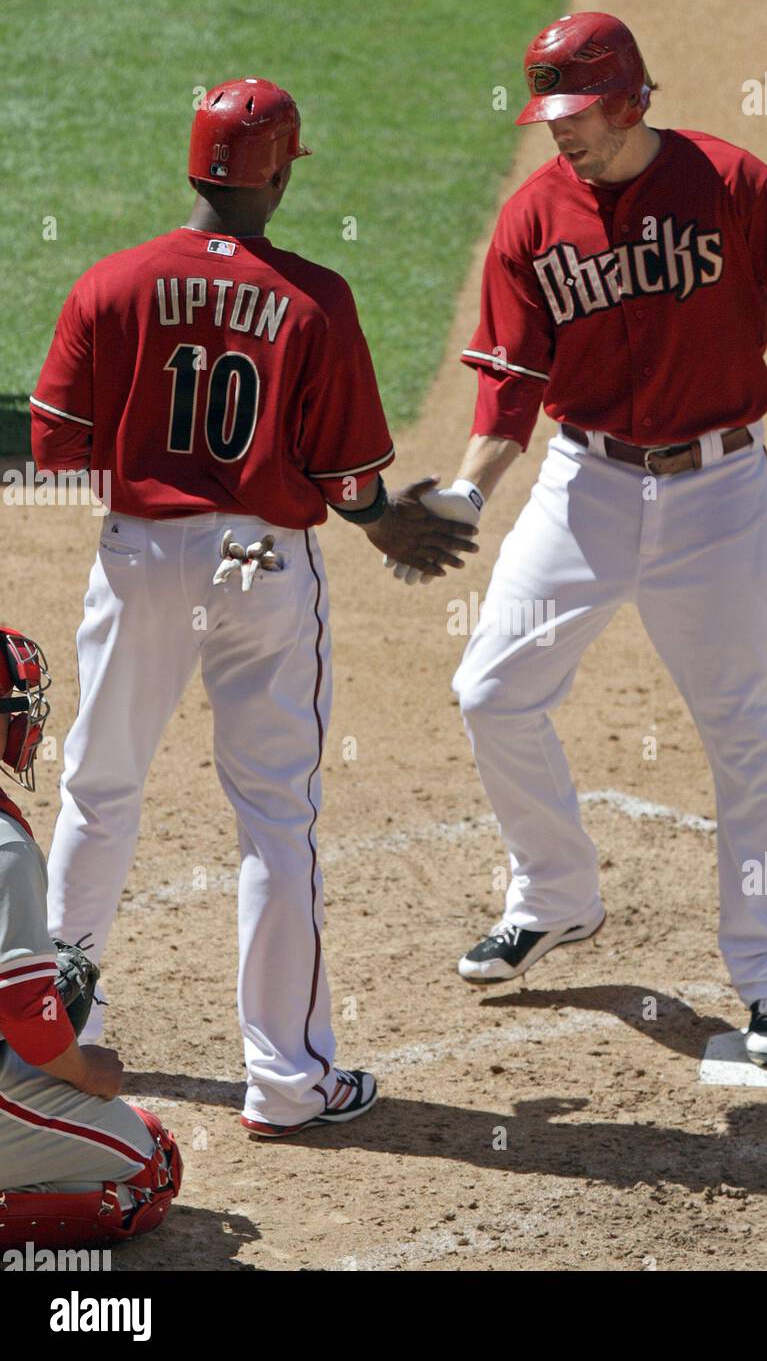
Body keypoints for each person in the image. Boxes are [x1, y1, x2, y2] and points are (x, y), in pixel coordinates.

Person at [402, 14, 767, 1067]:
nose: (559, 135)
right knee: (492, 691)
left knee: (746, 732)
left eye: (576, 115)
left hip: (719, 494)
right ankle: (557, 894)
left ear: (629, 101)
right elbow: (512, 380)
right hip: (585, 484)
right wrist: (472, 493)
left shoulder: (732, 184)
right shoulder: (534, 218)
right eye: (548, 115)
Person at [29, 78, 478, 1137]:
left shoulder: (113, 282)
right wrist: (381, 523)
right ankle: (287, 1080)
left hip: (139, 556)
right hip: (260, 563)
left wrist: (152, 460)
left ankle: (43, 1034)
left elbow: (56, 440)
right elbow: (350, 476)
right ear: (278, 172)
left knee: (101, 782)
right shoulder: (316, 298)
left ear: (195, 167)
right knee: (274, 813)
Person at [0, 625, 182, 1247]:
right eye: (18, 709)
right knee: (150, 1168)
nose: (30, 722)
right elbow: (26, 1015)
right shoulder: (5, 851)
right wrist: (83, 1070)